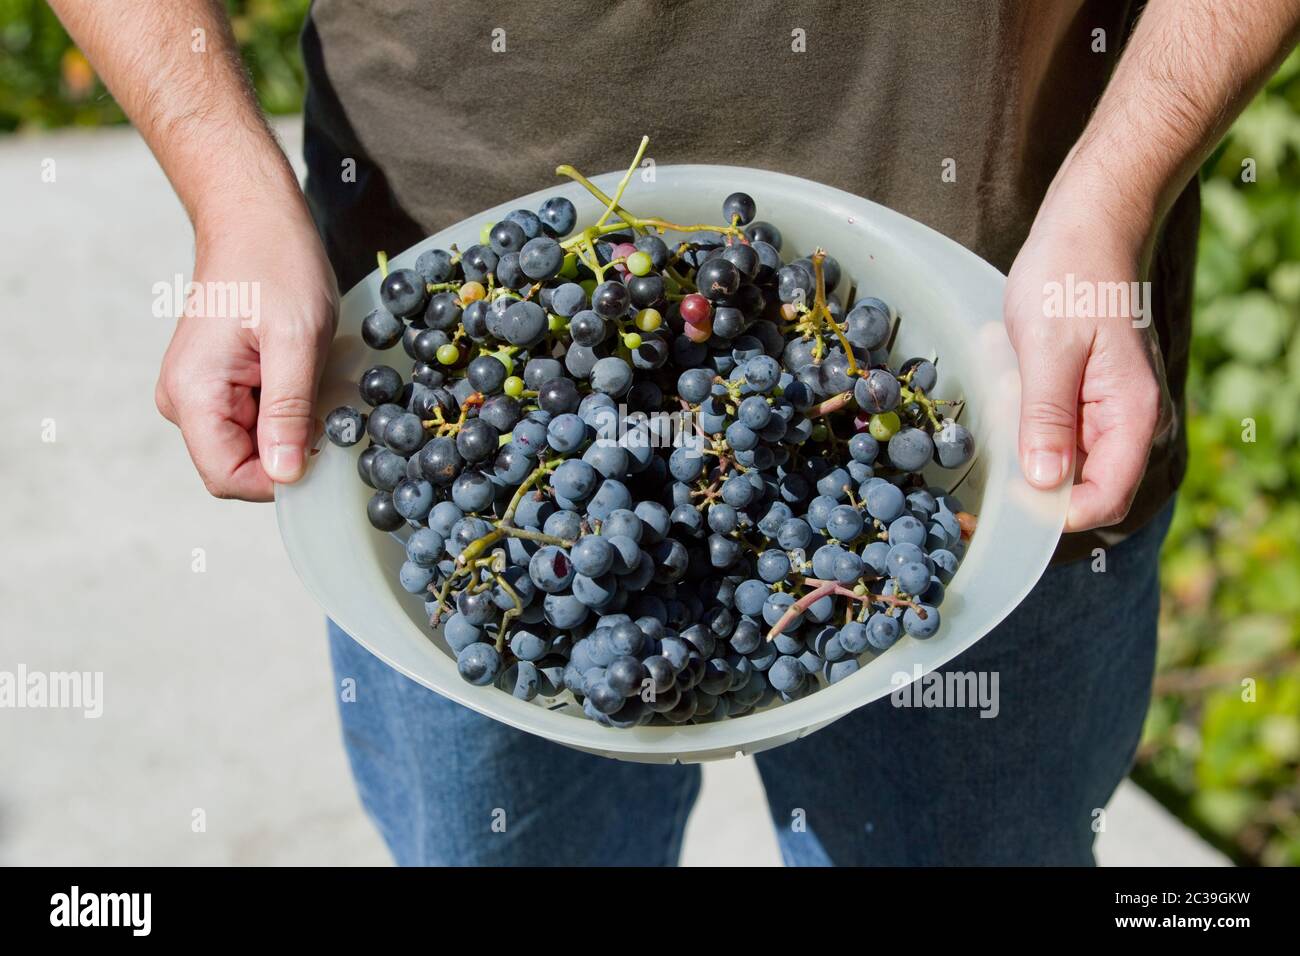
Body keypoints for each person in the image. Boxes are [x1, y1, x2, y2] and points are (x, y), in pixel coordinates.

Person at [51, 0, 1300, 865]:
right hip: (435, 366)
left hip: (1014, 366)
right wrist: (225, 181)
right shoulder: (497, 521)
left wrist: (1117, 187)